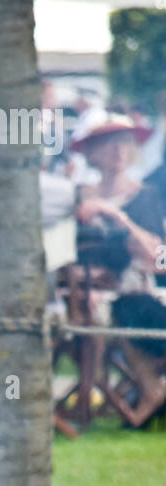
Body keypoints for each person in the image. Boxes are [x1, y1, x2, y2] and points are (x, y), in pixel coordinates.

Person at [73, 110, 166, 426]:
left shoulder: (145, 197)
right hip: (77, 293)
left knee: (131, 309)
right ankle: (96, 398)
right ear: (92, 152)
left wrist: (117, 216)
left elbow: (158, 258)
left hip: (132, 294)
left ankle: (142, 394)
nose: (119, 150)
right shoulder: (78, 199)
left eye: (125, 143)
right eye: (110, 143)